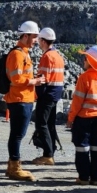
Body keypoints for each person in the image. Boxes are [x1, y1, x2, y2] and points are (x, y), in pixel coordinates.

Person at [66, 45, 97, 185]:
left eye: (86, 58)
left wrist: (70, 119)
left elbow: (77, 102)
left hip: (84, 118)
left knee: (82, 148)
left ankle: (83, 177)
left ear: (91, 61)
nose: (84, 61)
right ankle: (95, 178)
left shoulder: (84, 77)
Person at [4, 21, 44, 182]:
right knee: (17, 135)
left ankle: (12, 166)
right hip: (19, 99)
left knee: (17, 134)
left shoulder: (24, 53)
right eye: (34, 37)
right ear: (25, 36)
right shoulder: (17, 54)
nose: (36, 40)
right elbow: (16, 79)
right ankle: (15, 168)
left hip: (23, 99)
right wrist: (35, 81)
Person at [31, 27, 65, 165]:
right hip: (55, 94)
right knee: (50, 124)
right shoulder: (57, 56)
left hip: (47, 94)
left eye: (39, 40)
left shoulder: (47, 57)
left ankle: (48, 154)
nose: (38, 42)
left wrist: (37, 94)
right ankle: (50, 151)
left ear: (44, 41)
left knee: (41, 123)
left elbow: (43, 79)